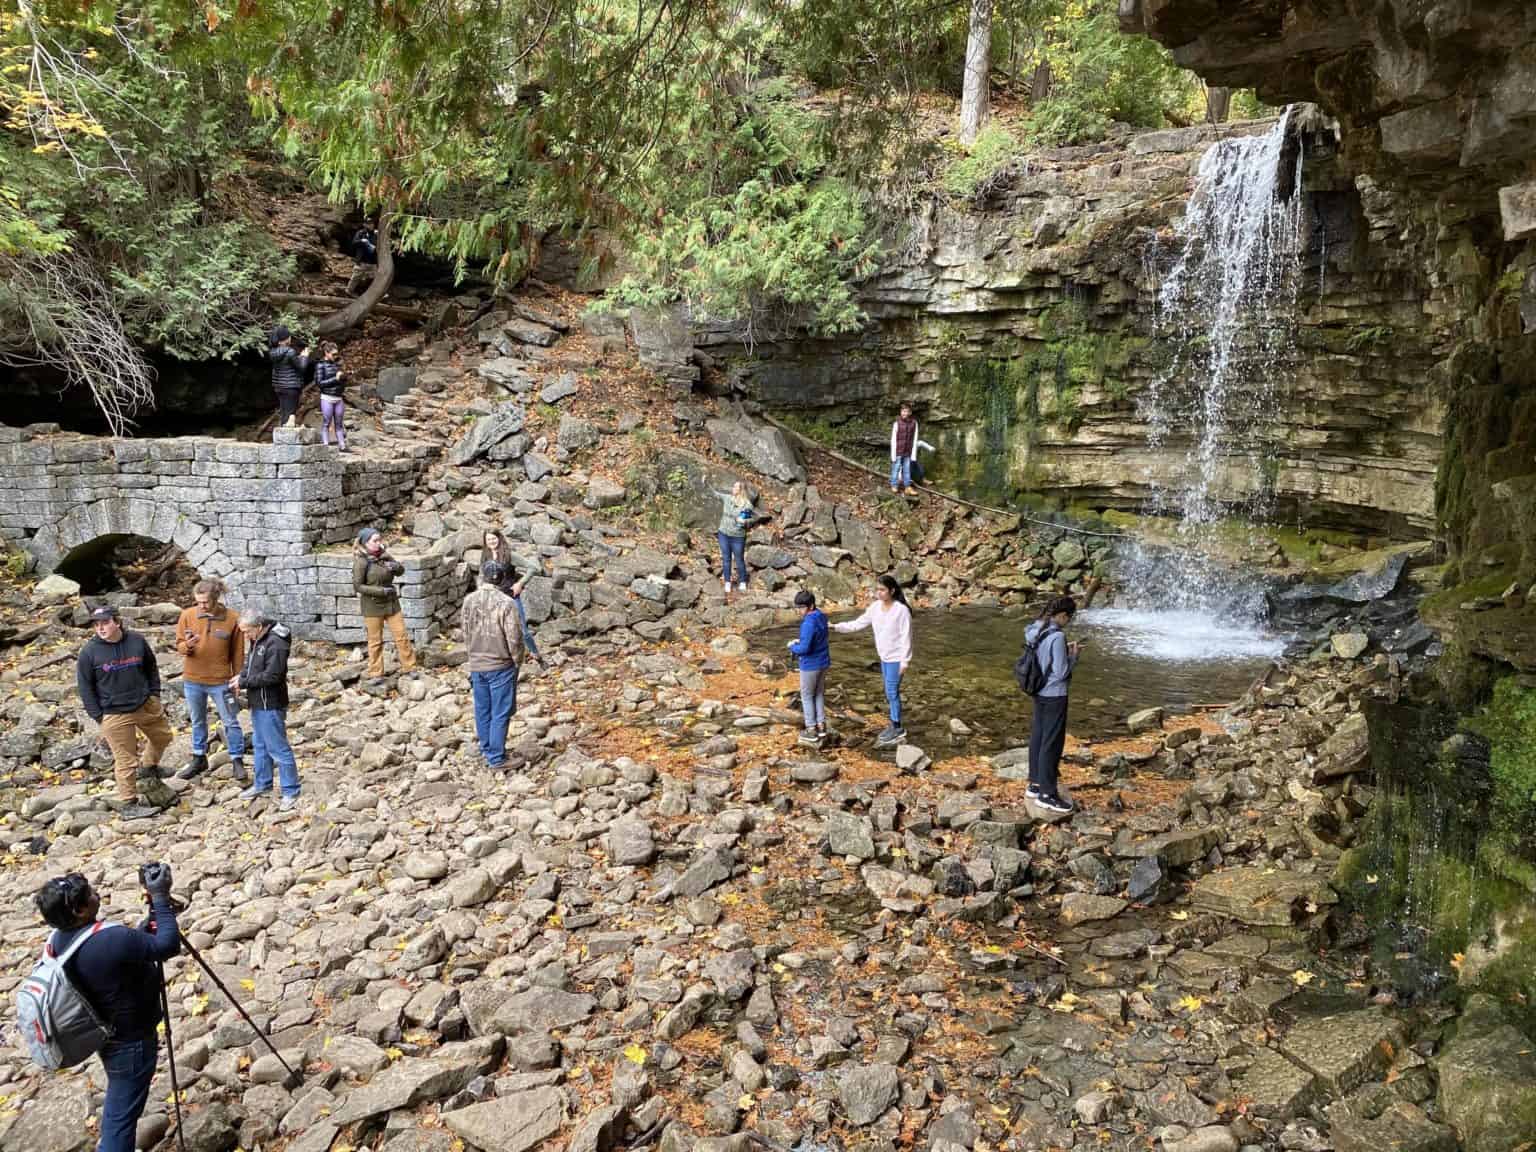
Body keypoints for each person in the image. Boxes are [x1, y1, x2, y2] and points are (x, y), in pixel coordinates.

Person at [32, 867, 180, 1152]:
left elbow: (123, 953)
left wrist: (152, 914)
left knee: (120, 1107)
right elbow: (167, 945)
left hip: (104, 1033)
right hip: (131, 1042)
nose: (96, 893)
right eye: (89, 894)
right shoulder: (111, 939)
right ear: (78, 911)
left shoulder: (60, 939)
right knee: (119, 1119)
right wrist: (160, 897)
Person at [76, 606, 170, 820]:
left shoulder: (136, 640)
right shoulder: (89, 652)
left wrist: (154, 694)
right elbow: (85, 687)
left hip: (144, 704)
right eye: (96, 624)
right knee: (126, 759)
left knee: (163, 737)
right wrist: (98, 716)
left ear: (117, 622)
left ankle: (149, 767)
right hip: (114, 713)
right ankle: (128, 804)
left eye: (105, 623)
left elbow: (151, 667)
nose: (100, 628)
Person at [174, 579, 245, 782]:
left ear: (215, 598)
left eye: (205, 602)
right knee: (197, 720)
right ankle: (199, 758)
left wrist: (238, 678)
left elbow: (238, 653)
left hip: (221, 680)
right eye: (198, 602)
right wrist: (187, 646)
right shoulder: (187, 615)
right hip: (192, 679)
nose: (202, 606)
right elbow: (179, 645)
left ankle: (237, 759)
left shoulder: (232, 618)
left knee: (230, 721)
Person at [833, 574, 913, 748]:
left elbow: (906, 637)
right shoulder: (875, 608)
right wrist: (836, 627)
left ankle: (897, 727)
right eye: (877, 590)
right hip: (884, 657)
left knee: (891, 692)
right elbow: (858, 623)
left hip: (896, 659)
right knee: (889, 692)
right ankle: (894, 723)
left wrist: (905, 661)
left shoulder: (901, 610)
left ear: (892, 591)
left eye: (882, 590)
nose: (879, 593)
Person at [232, 609, 300, 811]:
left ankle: (290, 790)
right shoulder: (258, 638)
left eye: (247, 631)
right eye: (243, 632)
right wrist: (240, 677)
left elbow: (273, 676)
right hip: (257, 702)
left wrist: (244, 682)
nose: (245, 636)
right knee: (260, 745)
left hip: (271, 703)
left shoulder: (276, 643)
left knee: (278, 748)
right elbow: (250, 663)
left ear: (259, 626)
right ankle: (262, 784)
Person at [461, 561, 526, 769]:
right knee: (501, 711)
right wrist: (517, 661)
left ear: (482, 577)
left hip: (477, 664)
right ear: (502, 580)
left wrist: (472, 657)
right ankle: (497, 758)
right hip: (501, 664)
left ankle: (487, 748)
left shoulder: (469, 601)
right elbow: (514, 637)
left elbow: (465, 631)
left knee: (482, 709)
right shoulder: (507, 603)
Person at [1023, 595, 1079, 815]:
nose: (1068, 622)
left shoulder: (1036, 629)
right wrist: (1073, 656)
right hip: (1055, 694)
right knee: (1052, 743)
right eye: (1069, 618)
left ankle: (1035, 784)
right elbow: (1061, 672)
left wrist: (1062, 652)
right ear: (1062, 615)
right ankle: (1047, 794)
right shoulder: (1057, 636)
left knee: (1038, 737)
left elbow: (1043, 657)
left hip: (1038, 691)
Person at [353, 527, 418, 683]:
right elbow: (358, 586)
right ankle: (376, 673)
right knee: (375, 641)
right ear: (365, 543)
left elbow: (400, 571)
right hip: (372, 606)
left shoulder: (384, 555)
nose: (379, 543)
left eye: (379, 539)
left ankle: (410, 667)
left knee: (401, 636)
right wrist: (380, 591)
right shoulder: (361, 562)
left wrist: (396, 567)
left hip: (391, 603)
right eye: (375, 540)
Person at [482, 529, 548, 670]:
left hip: (511, 597)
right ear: (485, 542)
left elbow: (533, 568)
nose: (492, 541)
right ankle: (499, 663)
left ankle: (537, 656)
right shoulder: (485, 556)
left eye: (494, 538)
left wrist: (520, 584)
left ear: (499, 538)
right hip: (493, 599)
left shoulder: (509, 555)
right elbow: (483, 576)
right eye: (489, 539)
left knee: (522, 630)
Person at [787, 589, 830, 747]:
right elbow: (815, 639)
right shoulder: (821, 616)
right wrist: (801, 641)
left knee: (806, 696)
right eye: (797, 607)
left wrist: (792, 647)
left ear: (811, 606)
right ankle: (821, 726)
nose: (799, 610)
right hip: (823, 662)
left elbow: (805, 649)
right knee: (818, 694)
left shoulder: (808, 623)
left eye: (802, 607)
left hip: (810, 665)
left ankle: (811, 729)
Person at [714, 481, 757, 601]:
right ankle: (727, 582)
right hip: (723, 533)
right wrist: (705, 482)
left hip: (738, 537)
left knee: (739, 559)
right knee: (726, 558)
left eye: (735, 487)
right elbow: (715, 494)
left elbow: (751, 521)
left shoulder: (747, 505)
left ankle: (742, 581)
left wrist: (745, 521)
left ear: (740, 490)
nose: (732, 488)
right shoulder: (727, 498)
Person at [268, 325, 310, 429]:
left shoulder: (272, 352)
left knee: (284, 414)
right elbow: (301, 368)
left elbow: (287, 364)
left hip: (279, 387)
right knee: (290, 415)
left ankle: (282, 434)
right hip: (291, 387)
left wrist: (299, 357)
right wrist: (305, 357)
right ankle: (288, 435)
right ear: (286, 338)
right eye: (289, 336)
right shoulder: (290, 352)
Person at [315, 342, 347, 450]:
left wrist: (345, 376)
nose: (336, 356)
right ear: (326, 353)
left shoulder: (338, 363)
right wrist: (335, 379)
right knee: (326, 423)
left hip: (338, 397)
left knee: (339, 423)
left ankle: (342, 446)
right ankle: (325, 446)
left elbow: (342, 379)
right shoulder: (320, 365)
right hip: (327, 398)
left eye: (337, 354)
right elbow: (320, 383)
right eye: (333, 354)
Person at [889, 403, 920, 496]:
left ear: (910, 412)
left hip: (908, 451)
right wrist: (893, 454)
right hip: (898, 450)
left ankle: (907, 487)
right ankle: (894, 485)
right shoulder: (897, 423)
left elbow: (915, 438)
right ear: (900, 412)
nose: (904, 413)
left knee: (907, 469)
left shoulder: (914, 423)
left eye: (906, 411)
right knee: (896, 468)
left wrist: (913, 453)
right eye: (903, 411)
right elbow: (893, 439)